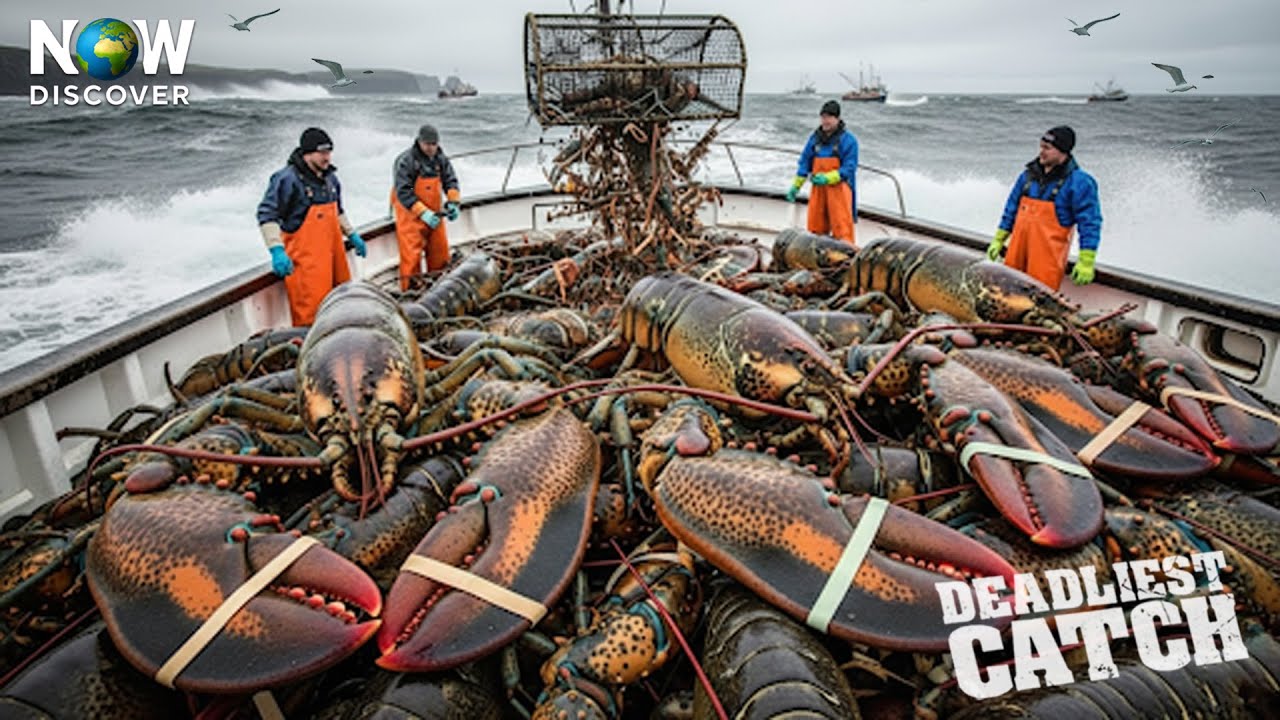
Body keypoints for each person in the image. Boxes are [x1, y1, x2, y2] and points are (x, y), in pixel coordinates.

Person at [256, 127, 367, 326]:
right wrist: (276, 249)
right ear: (307, 153)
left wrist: (352, 235)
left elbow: (338, 211)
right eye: (322, 153)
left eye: (329, 152)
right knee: (311, 319)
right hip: (306, 267)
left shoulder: (331, 179)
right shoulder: (287, 179)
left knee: (343, 306)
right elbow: (267, 214)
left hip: (334, 259)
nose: (327, 158)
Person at [987, 126, 1102, 289]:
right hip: (1015, 257)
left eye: (1047, 148)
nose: (1041, 152)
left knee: (1041, 302)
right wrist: (999, 239)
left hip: (1046, 264)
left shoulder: (1080, 182)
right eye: (1041, 147)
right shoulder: (1027, 176)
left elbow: (1090, 223)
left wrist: (1086, 260)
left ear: (1063, 151)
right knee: (1007, 294)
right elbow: (1011, 209)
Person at [391, 124, 461, 290]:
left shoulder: (440, 159)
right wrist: (423, 213)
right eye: (428, 144)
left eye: (434, 144)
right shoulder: (407, 162)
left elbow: (450, 180)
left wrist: (453, 202)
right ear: (420, 142)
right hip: (411, 216)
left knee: (440, 255)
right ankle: (410, 295)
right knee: (411, 259)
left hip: (435, 216)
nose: (431, 148)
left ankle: (438, 290)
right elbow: (403, 192)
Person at [785, 99, 859, 245]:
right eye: (823, 117)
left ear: (837, 119)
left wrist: (827, 178)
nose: (825, 121)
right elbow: (805, 162)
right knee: (815, 231)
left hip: (839, 191)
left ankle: (845, 262)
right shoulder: (814, 139)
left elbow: (849, 168)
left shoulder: (849, 141)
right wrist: (796, 186)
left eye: (829, 117)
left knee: (842, 231)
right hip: (818, 190)